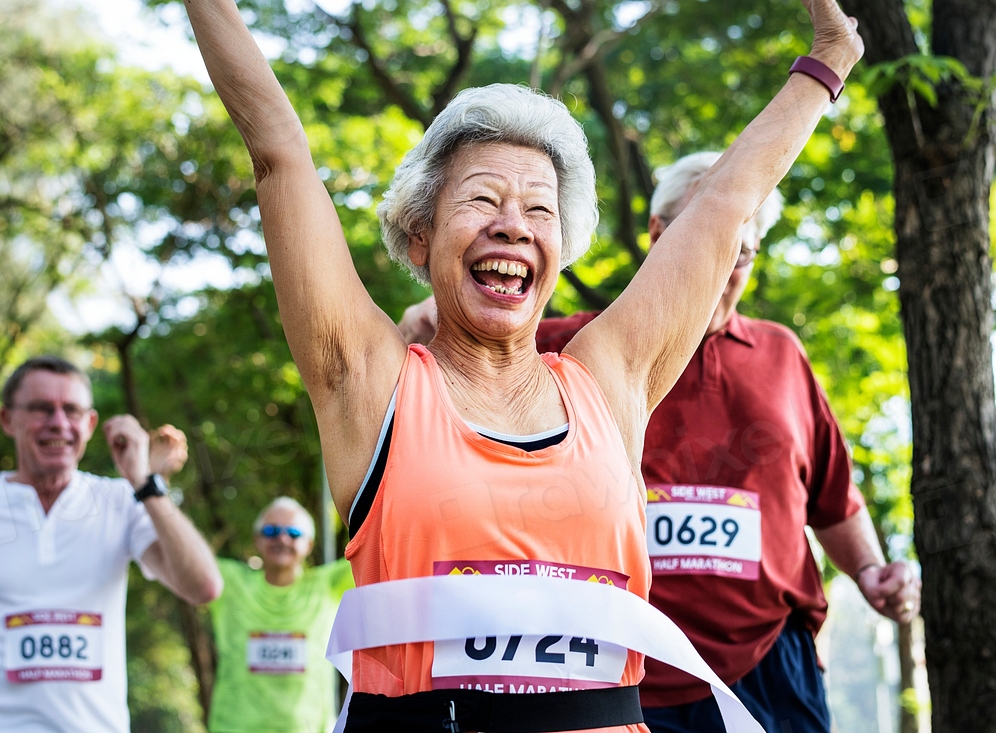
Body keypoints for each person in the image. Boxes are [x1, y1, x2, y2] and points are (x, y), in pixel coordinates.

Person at [181, 0, 864, 728]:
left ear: (562, 248)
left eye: (540, 210)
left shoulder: (609, 380)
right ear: (419, 237)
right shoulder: (371, 383)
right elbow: (278, 150)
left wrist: (827, 61)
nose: (513, 222)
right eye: (481, 199)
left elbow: (725, 205)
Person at [494, 151, 918, 733]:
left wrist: (871, 570)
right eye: (704, 243)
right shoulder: (569, 346)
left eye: (738, 252)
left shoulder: (782, 354)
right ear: (658, 235)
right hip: (613, 665)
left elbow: (833, 498)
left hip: (769, 665)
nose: (719, 268)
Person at [0, 356, 222, 733]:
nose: (59, 423)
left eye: (72, 410)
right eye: (40, 408)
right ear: (7, 419)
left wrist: (144, 481)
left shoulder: (122, 501)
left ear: (90, 424)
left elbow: (203, 587)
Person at [207, 496, 354, 733]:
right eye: (272, 530)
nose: (282, 538)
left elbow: (379, 544)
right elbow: (187, 557)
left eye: (294, 532)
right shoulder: (228, 581)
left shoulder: (329, 585)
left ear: (309, 543)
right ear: (257, 540)